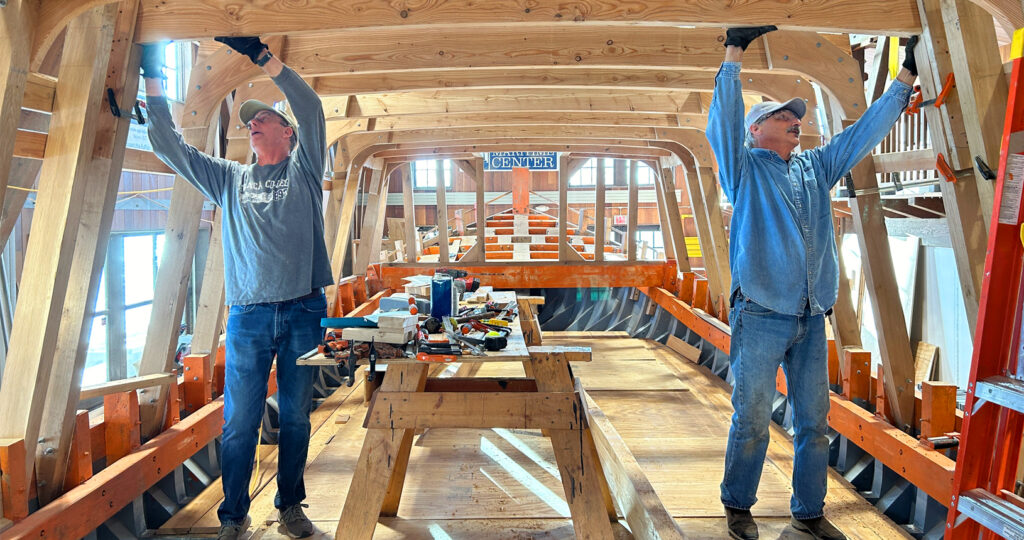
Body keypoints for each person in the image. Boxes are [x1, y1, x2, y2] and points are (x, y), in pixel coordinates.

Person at [706, 27, 918, 540]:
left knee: (814, 424)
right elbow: (721, 124)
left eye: (798, 117)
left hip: (808, 314)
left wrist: (905, 77)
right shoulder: (743, 171)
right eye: (783, 117)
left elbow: (862, 133)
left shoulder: (814, 167)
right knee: (753, 420)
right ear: (756, 130)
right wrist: (734, 54)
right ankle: (738, 505)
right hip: (758, 315)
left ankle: (809, 511)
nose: (796, 122)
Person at [141, 37, 332, 540]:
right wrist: (153, 79)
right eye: (249, 120)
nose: (252, 123)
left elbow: (311, 106)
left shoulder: (306, 170)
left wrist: (264, 58)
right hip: (247, 315)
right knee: (239, 425)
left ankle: (290, 505)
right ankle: (233, 517)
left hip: (303, 310)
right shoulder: (228, 177)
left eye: (262, 118)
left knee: (293, 419)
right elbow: (168, 146)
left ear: (287, 134)